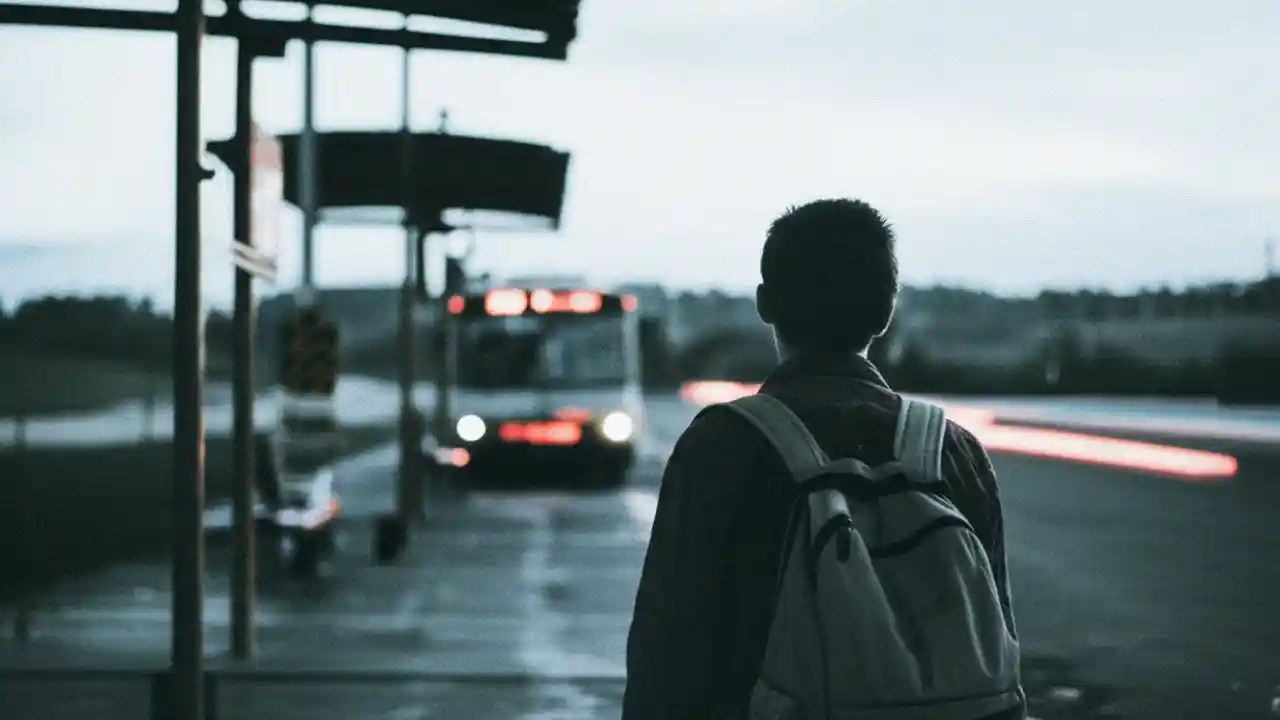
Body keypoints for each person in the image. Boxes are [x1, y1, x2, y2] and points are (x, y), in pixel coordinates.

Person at [622, 198, 1022, 719]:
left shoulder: (724, 445)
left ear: (766, 304)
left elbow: (670, 647)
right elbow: (999, 637)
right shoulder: (952, 449)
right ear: (886, 311)